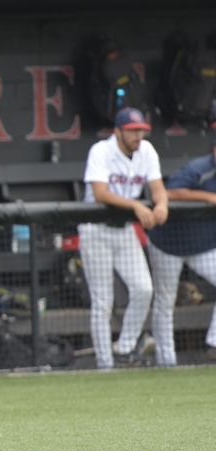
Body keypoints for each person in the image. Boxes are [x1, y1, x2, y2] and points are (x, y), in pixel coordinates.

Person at [78, 107, 168, 370]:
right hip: (96, 230)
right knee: (103, 301)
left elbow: (157, 188)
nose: (138, 135)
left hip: (123, 230)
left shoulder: (147, 151)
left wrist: (161, 205)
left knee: (143, 289)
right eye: (132, 131)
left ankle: (125, 349)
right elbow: (99, 193)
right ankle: (105, 363)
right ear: (117, 132)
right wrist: (137, 206)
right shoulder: (101, 151)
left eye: (140, 130)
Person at [146, 139, 216, 366]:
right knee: (165, 301)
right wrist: (207, 197)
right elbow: (169, 193)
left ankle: (214, 345)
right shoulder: (199, 169)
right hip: (168, 243)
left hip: (202, 245)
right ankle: (167, 360)